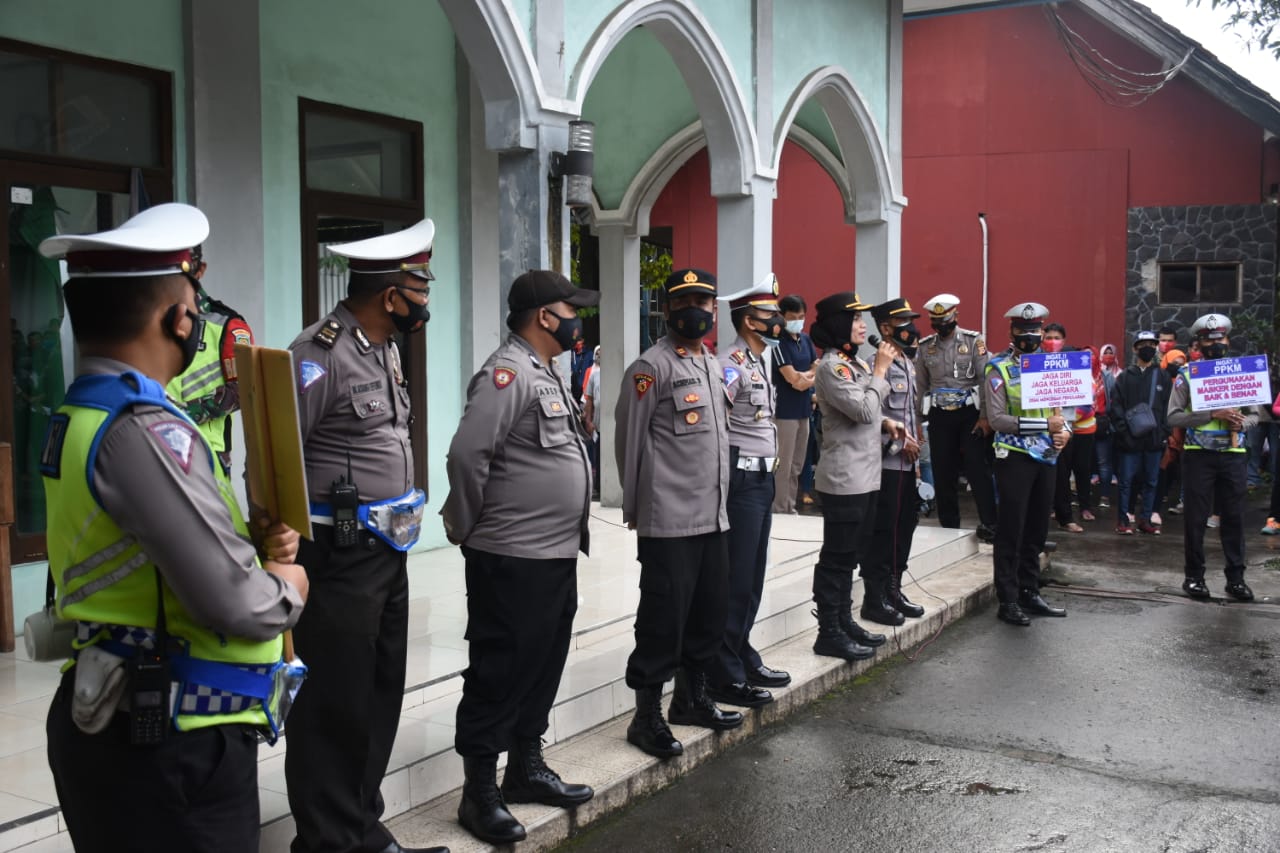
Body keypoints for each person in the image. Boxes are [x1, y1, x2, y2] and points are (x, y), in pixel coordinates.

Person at [37, 203, 308, 853]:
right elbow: (236, 603)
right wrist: (286, 582)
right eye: (195, 306)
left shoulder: (79, 413)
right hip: (169, 744)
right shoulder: (145, 429)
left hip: (123, 715)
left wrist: (248, 537)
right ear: (178, 317)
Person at [285, 219, 447, 853]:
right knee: (333, 702)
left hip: (388, 551)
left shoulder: (385, 350)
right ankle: (326, 840)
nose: (425, 300)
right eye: (420, 287)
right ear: (391, 295)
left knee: (379, 691)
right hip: (339, 556)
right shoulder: (316, 355)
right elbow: (276, 456)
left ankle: (360, 824)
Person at [442, 270, 598, 844]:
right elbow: (467, 455)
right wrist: (465, 525)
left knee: (543, 661)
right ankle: (478, 790)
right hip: (511, 555)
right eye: (570, 308)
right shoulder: (507, 374)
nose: (578, 317)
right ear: (542, 316)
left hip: (553, 552)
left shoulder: (547, 373)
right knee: (499, 670)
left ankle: (526, 767)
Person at [615, 267, 742, 760]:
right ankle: (645, 715)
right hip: (668, 519)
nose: (697, 310)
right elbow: (630, 442)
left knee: (710, 612)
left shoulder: (711, 363)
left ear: (713, 310)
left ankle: (692, 698)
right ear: (667, 309)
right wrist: (635, 507)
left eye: (705, 302)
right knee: (662, 620)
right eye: (686, 302)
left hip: (713, 517)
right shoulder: (651, 367)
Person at [707, 274, 792, 709]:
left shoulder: (760, 362)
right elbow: (714, 426)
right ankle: (724, 672)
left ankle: (741, 651)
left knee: (754, 576)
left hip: (762, 480)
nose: (778, 321)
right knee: (736, 579)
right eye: (769, 315)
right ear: (747, 321)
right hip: (740, 482)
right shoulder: (731, 363)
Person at [808, 291, 899, 659]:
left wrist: (887, 420)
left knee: (853, 554)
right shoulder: (832, 367)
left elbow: (872, 410)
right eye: (856, 319)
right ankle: (828, 630)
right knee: (838, 555)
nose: (864, 326)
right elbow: (862, 410)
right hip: (845, 478)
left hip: (866, 475)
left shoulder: (854, 364)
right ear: (839, 325)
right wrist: (879, 372)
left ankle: (844, 620)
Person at [984, 302, 1070, 626]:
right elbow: (997, 419)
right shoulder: (998, 368)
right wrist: (1044, 427)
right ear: (1012, 332)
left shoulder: (1052, 366)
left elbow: (1062, 412)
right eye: (1023, 331)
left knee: (1037, 527)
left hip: (1046, 456)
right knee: (1011, 528)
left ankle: (1029, 591)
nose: (1030, 337)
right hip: (1014, 456)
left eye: (1036, 331)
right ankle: (1007, 598)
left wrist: (1067, 433)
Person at [1167, 313, 1256, 602]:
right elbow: (1173, 416)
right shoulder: (1187, 375)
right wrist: (1211, 414)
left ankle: (1236, 579)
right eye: (1208, 340)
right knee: (1195, 519)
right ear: (1199, 344)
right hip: (1198, 456)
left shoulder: (1242, 373)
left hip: (1233, 455)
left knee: (1234, 519)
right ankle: (1194, 577)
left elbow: (1257, 415)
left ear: (1228, 341)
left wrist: (1242, 423)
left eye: (1220, 339)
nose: (1215, 345)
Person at [164, 246, 253, 505]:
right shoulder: (147, 320)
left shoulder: (227, 325)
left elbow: (243, 391)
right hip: (150, 445)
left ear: (200, 271)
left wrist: (185, 414)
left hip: (206, 452)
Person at [863, 298, 927, 625]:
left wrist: (915, 438)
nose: (911, 328)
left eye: (910, 321)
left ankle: (894, 588)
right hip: (887, 463)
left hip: (908, 464)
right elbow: (873, 415)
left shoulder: (906, 361)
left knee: (905, 529)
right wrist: (901, 440)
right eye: (903, 322)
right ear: (886, 328)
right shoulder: (877, 363)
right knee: (884, 532)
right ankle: (874, 598)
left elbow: (909, 411)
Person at [915, 294, 997, 542]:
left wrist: (986, 417)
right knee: (943, 471)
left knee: (977, 469)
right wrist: (918, 422)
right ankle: (949, 526)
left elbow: (985, 380)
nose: (941, 325)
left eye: (946, 319)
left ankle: (990, 524)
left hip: (970, 414)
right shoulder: (925, 347)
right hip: (940, 415)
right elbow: (920, 386)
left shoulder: (974, 342)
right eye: (937, 320)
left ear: (955, 317)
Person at [1111, 331, 1170, 536]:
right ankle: (1123, 520)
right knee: (1126, 481)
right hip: (1130, 440)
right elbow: (1116, 407)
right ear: (1135, 348)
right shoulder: (1125, 377)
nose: (1148, 348)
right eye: (1143, 344)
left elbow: (1167, 408)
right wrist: (1124, 433)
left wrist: (1164, 433)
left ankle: (1146, 519)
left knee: (1151, 481)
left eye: (1152, 345)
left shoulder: (1162, 375)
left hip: (1154, 440)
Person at [772, 293, 819, 514]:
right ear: (782, 316)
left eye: (801, 316)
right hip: (784, 412)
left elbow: (815, 368)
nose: (798, 321)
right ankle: (781, 507)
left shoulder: (805, 339)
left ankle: (790, 504)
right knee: (784, 464)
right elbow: (793, 380)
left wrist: (805, 376)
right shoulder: (778, 343)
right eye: (793, 316)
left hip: (803, 411)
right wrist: (808, 376)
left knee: (798, 463)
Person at [582, 344, 603, 498]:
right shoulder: (594, 375)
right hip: (599, 424)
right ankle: (599, 487)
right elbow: (589, 400)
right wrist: (588, 420)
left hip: (615, 425)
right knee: (598, 456)